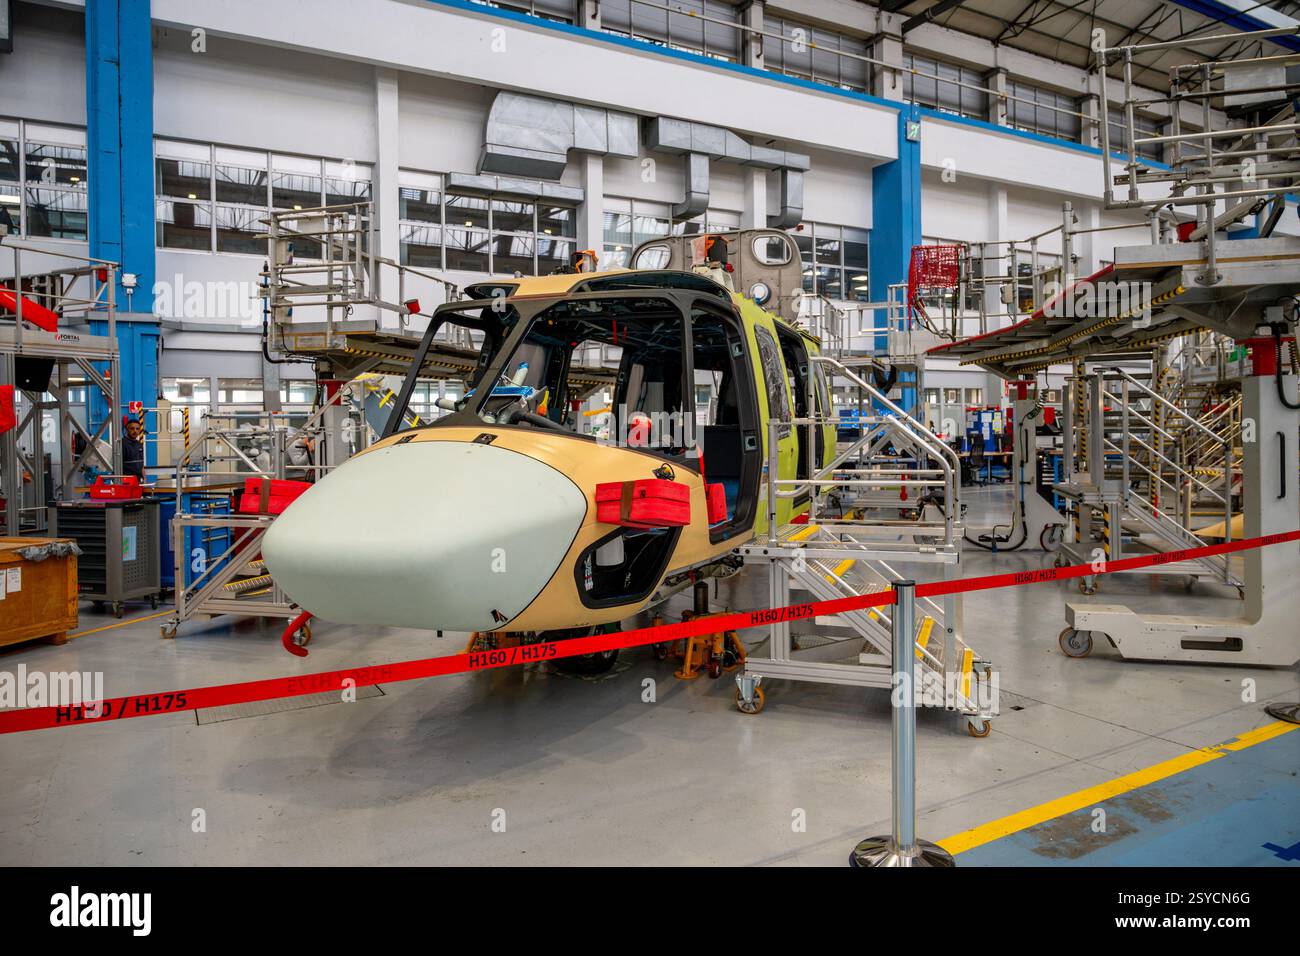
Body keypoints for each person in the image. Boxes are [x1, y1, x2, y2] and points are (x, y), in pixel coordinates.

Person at [122, 416, 145, 481]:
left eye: (137, 429)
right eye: (132, 428)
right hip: (126, 481)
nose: (135, 431)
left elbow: (141, 464)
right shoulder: (122, 444)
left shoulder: (139, 444)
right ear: (127, 429)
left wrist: (144, 479)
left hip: (138, 480)